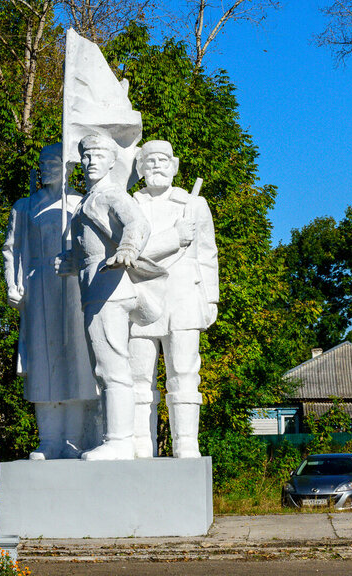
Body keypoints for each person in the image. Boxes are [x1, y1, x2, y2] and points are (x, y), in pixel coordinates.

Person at [57, 133, 153, 461]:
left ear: (112, 161)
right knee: (104, 367)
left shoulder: (110, 194)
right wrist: (72, 262)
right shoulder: (88, 200)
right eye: (86, 156)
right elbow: (90, 247)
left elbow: (137, 223)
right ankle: (113, 437)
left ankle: (120, 440)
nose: (91, 161)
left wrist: (128, 248)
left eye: (99, 155)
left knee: (112, 366)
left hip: (109, 290)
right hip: (93, 291)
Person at [2, 143, 99, 460]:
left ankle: (72, 439)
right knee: (43, 363)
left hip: (72, 286)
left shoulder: (81, 203)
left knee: (75, 362)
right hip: (38, 286)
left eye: (53, 162)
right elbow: (11, 248)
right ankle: (49, 439)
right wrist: (12, 283)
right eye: (42, 163)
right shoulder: (25, 206)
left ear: (68, 167)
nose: (45, 168)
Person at [127, 140, 219, 458]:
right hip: (142, 296)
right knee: (138, 374)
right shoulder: (130, 205)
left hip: (184, 296)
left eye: (163, 160)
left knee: (184, 371)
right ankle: (141, 442)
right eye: (149, 160)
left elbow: (207, 254)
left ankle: (186, 441)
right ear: (139, 168)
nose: (156, 165)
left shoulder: (194, 204)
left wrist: (210, 300)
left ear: (174, 165)